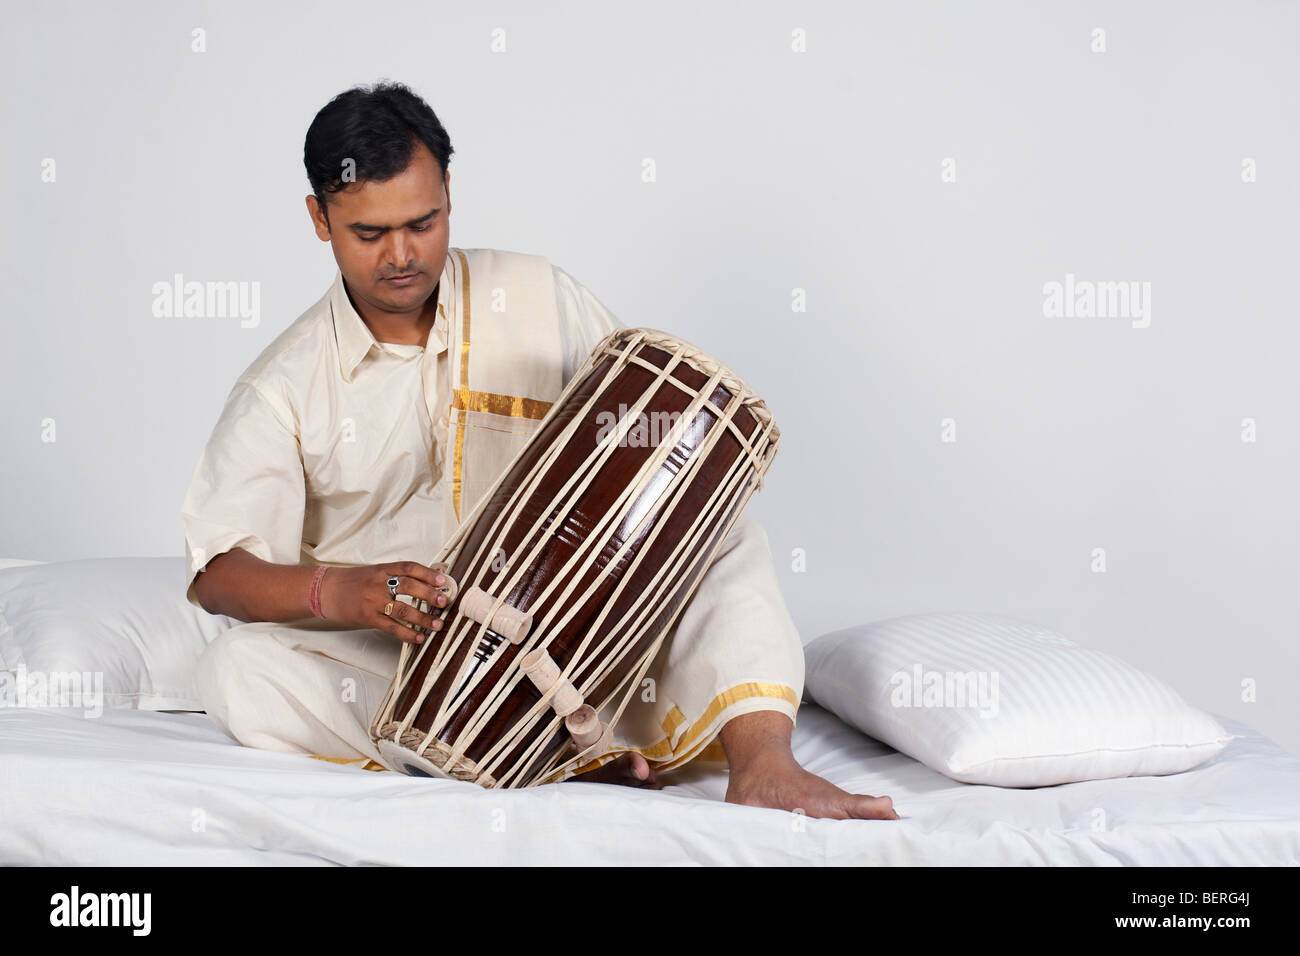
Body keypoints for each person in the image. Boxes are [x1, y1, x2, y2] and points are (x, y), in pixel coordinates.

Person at [182, 81, 897, 821]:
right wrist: (341, 591)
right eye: (369, 233)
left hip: (591, 638)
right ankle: (516, 758)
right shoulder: (282, 383)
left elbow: (648, 423)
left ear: (450, 194)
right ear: (320, 219)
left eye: (422, 223)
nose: (401, 254)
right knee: (233, 670)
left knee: (718, 526)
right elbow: (219, 574)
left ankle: (765, 767)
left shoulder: (535, 293)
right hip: (410, 669)